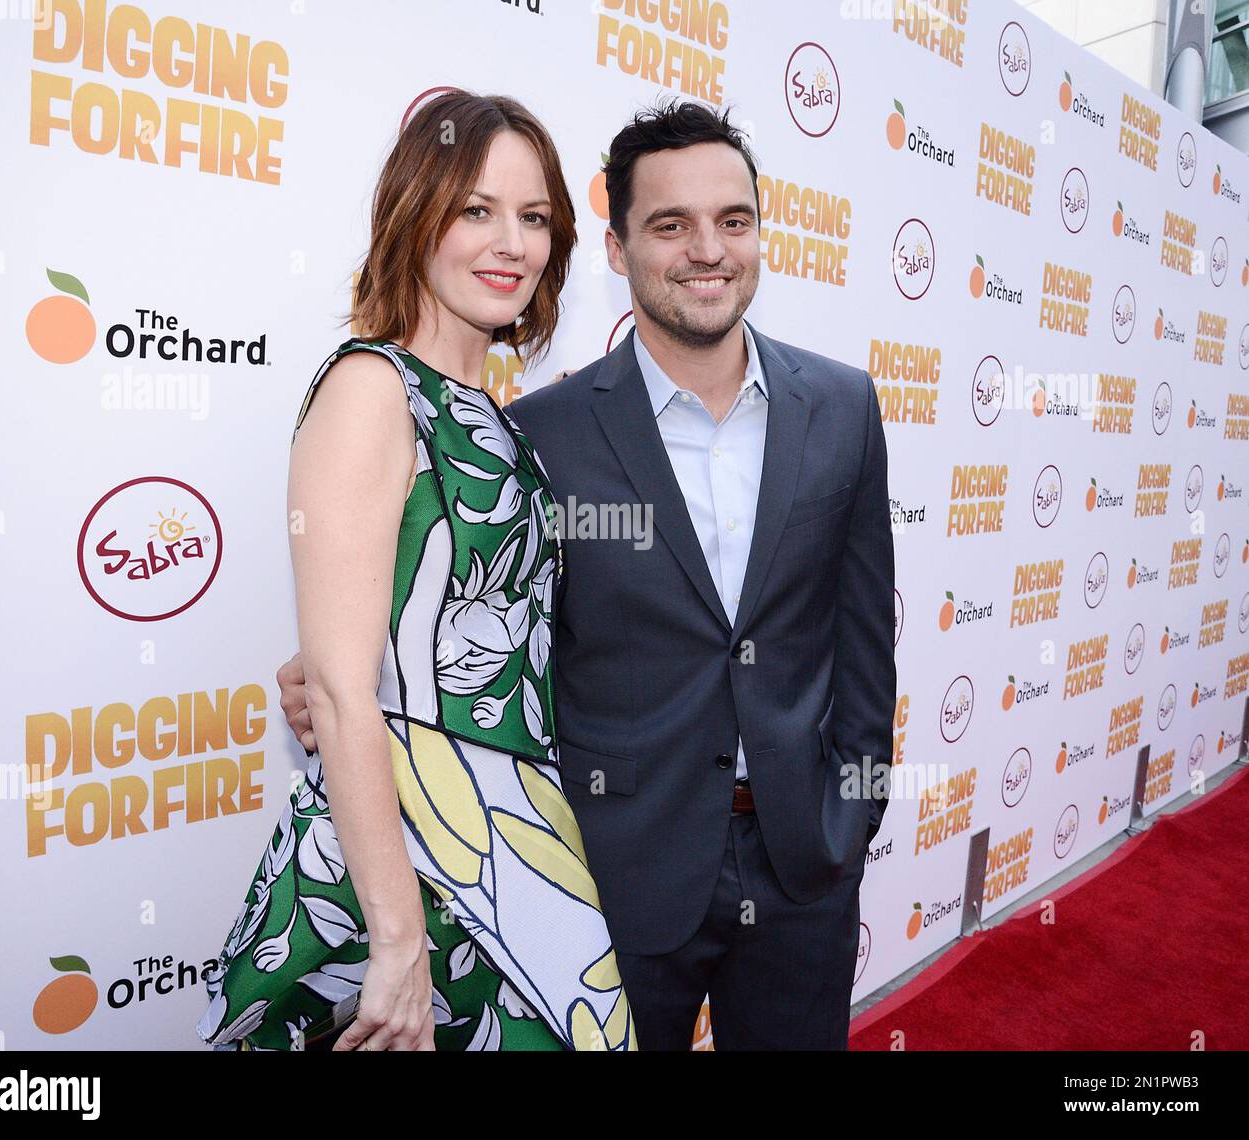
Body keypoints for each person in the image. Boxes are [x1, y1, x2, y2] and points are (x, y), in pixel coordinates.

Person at [277, 97, 895, 1050]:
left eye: (733, 221)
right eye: (670, 224)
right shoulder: (542, 435)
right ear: (616, 250)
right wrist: (338, 681)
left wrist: (850, 818)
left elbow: (864, 640)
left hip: (803, 871)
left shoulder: (845, 407)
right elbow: (446, 605)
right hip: (603, 878)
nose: (707, 250)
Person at [195, 90, 635, 1052]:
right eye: (476, 209)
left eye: (534, 217)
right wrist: (397, 944)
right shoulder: (372, 389)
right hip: (401, 862)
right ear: (415, 212)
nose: (509, 242)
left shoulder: (497, 423)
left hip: (513, 836)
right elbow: (347, 691)